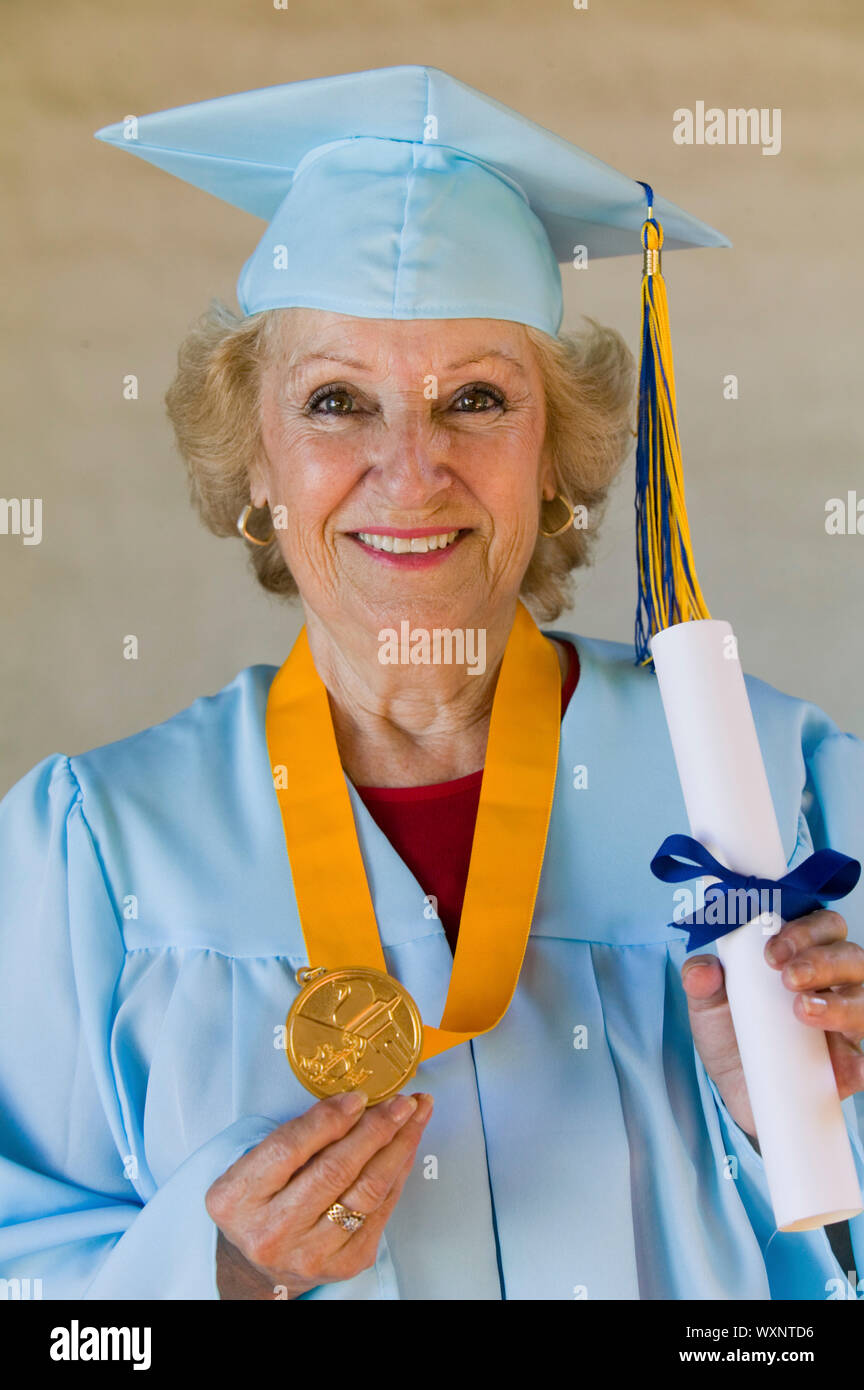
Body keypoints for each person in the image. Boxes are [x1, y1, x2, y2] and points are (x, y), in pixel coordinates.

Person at [1, 65, 862, 1302]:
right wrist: (210, 1275)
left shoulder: (785, 803)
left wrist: (804, 1137)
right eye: (336, 401)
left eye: (476, 400)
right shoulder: (94, 856)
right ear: (255, 462)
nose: (411, 472)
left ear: (555, 455)